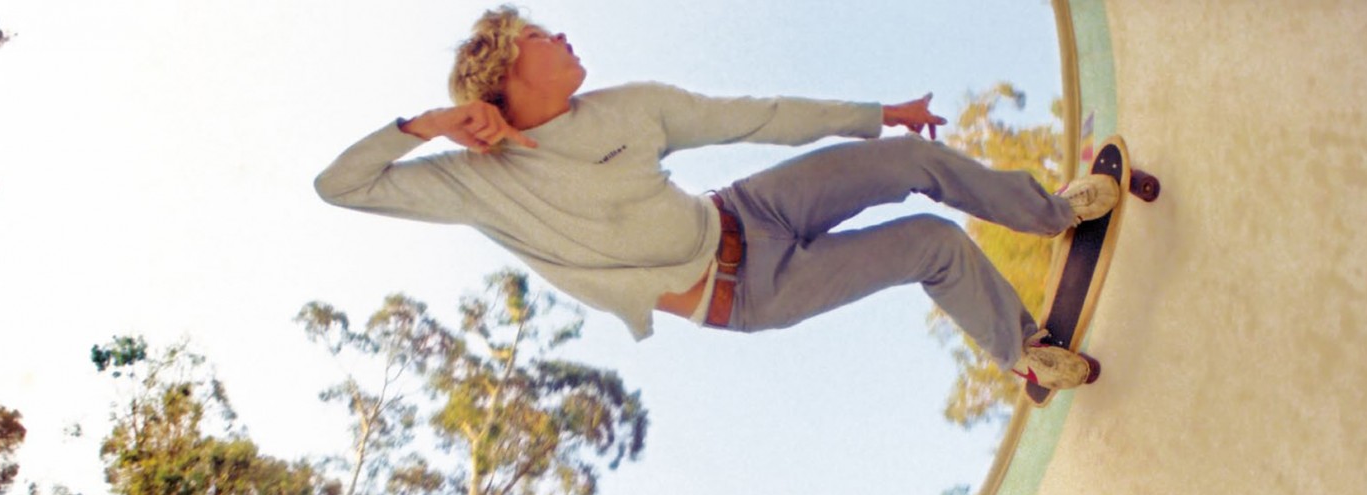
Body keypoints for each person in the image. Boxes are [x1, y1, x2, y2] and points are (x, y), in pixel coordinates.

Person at [315, 6, 1118, 389]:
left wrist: (879, 116)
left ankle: (1053, 213)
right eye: (540, 36)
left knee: (910, 157)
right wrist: (420, 125)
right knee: (931, 246)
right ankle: (1024, 353)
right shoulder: (480, 186)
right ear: (508, 72)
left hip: (748, 209)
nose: (562, 36)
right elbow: (341, 186)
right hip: (744, 292)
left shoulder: (630, 104)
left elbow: (756, 117)